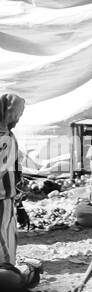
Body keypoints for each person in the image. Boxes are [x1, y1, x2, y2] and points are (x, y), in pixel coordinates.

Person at [0, 92, 25, 267]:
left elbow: (16, 170)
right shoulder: (3, 138)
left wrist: (20, 203)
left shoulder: (9, 136)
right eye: (15, 115)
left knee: (7, 235)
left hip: (7, 198)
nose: (17, 120)